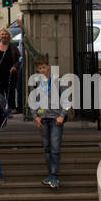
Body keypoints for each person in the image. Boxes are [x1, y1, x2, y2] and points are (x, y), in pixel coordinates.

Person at [33, 55, 67, 188]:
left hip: (55, 118)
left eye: (44, 67)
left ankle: (54, 176)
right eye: (40, 68)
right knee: (47, 148)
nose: (42, 70)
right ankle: (50, 174)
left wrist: (62, 115)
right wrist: (35, 116)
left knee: (55, 148)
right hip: (42, 119)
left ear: (48, 66)